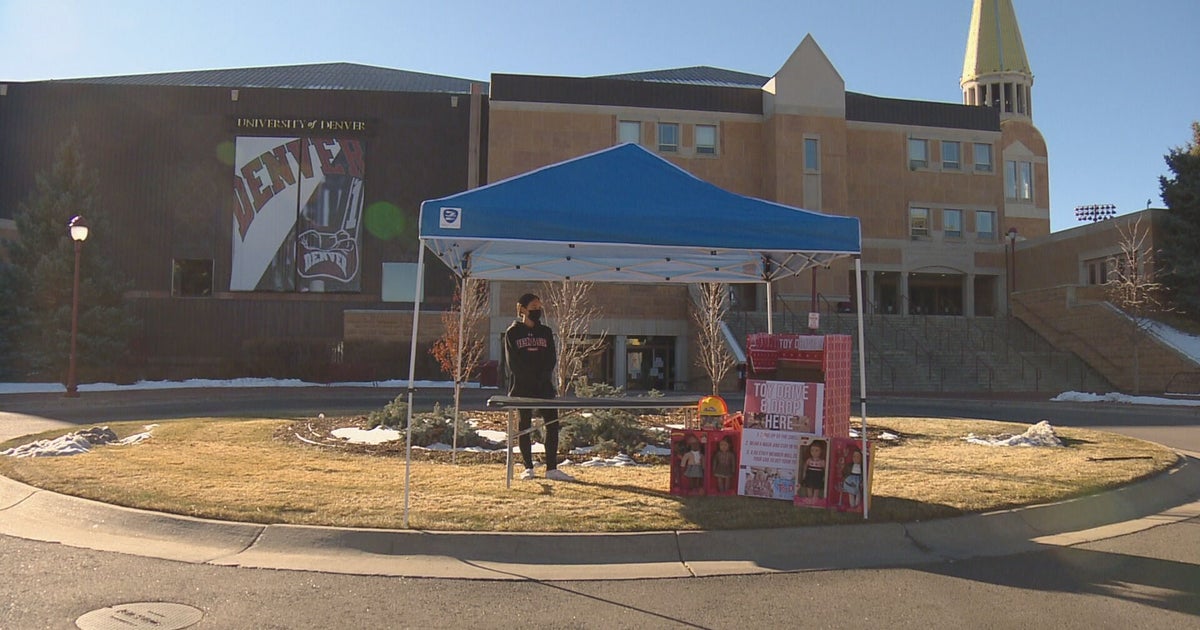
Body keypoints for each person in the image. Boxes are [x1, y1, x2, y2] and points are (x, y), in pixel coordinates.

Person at [504, 293, 573, 482]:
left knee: (552, 424)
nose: (537, 310)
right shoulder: (512, 333)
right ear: (522, 309)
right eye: (533, 306)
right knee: (523, 426)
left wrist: (543, 378)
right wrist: (530, 379)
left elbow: (551, 358)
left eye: (539, 307)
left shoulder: (546, 332)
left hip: (544, 387)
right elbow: (514, 363)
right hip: (522, 387)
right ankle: (528, 467)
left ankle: (552, 468)